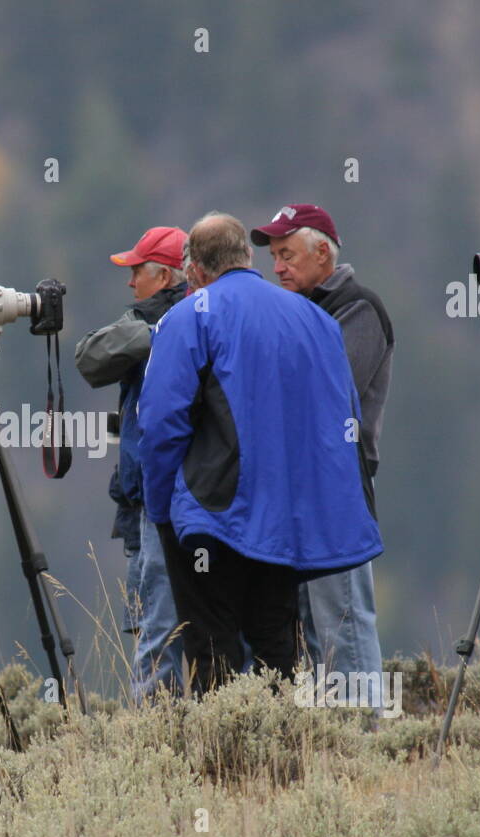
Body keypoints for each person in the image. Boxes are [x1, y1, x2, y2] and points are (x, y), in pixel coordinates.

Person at [138, 212, 382, 694]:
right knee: (277, 647)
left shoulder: (188, 316)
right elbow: (340, 420)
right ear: (247, 258)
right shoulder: (314, 318)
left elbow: (161, 423)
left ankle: (227, 761)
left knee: (212, 647)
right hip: (286, 517)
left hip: (211, 514)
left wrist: (162, 508)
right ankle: (282, 761)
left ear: (195, 271)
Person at [252, 204, 393, 710]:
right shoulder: (303, 311)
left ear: (322, 253)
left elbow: (332, 395)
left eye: (286, 254)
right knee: (311, 623)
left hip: (337, 489)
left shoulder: (358, 308)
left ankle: (363, 738)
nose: (278, 267)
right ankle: (334, 745)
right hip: (297, 488)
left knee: (343, 621)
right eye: (273, 257)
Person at [75, 227, 187, 701]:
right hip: (158, 502)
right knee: (159, 627)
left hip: (164, 505)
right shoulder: (153, 321)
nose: (129, 282)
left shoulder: (176, 322)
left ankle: (150, 743)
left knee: (158, 632)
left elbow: (88, 357)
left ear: (163, 275)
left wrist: (154, 330)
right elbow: (90, 359)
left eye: (137, 270)